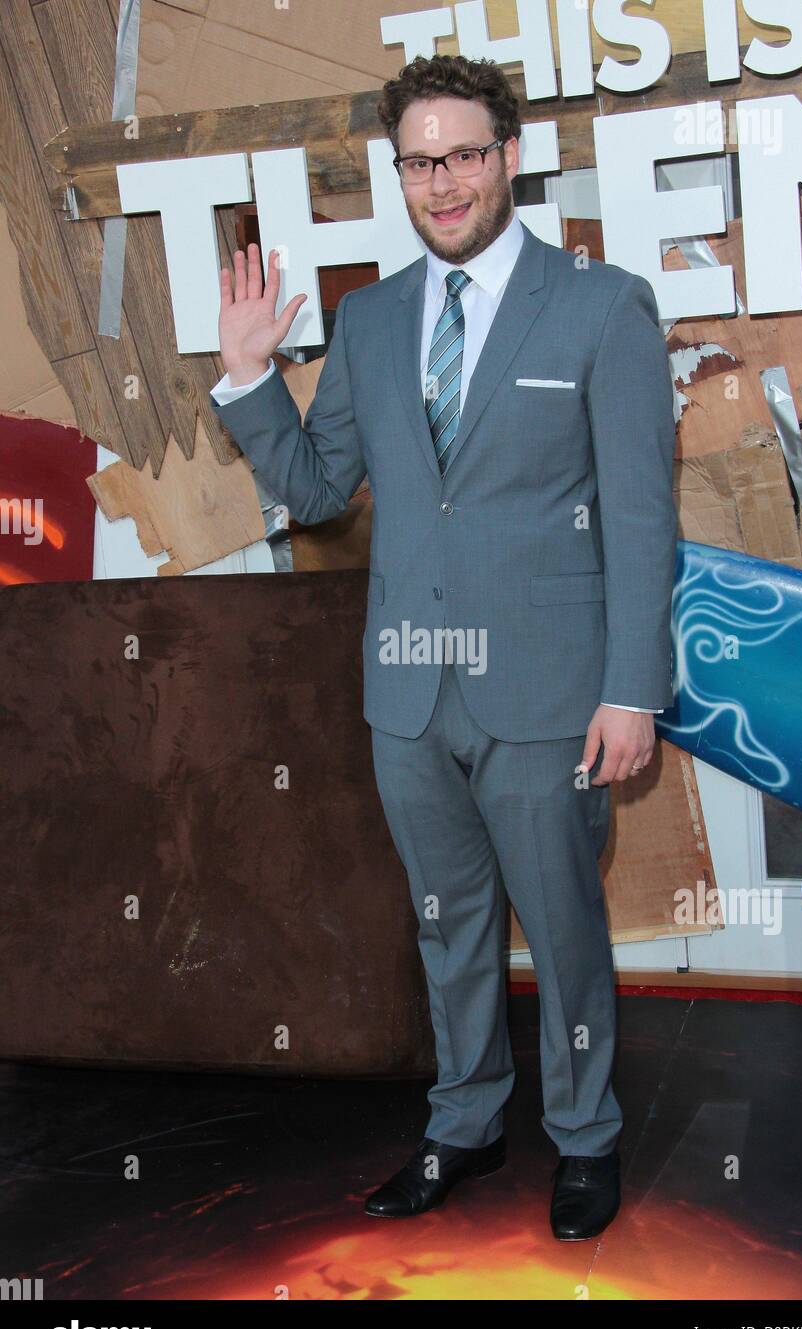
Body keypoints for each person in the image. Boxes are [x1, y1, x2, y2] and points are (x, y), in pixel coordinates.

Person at [209, 53, 677, 1241]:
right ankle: (462, 1122)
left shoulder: (598, 303)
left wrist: (632, 690)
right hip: (409, 695)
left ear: (507, 157)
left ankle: (584, 1137)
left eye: (464, 152)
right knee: (443, 923)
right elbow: (316, 492)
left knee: (563, 931)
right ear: (400, 174)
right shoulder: (368, 321)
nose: (443, 178)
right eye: (420, 160)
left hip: (551, 693)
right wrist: (252, 374)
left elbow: (637, 516)